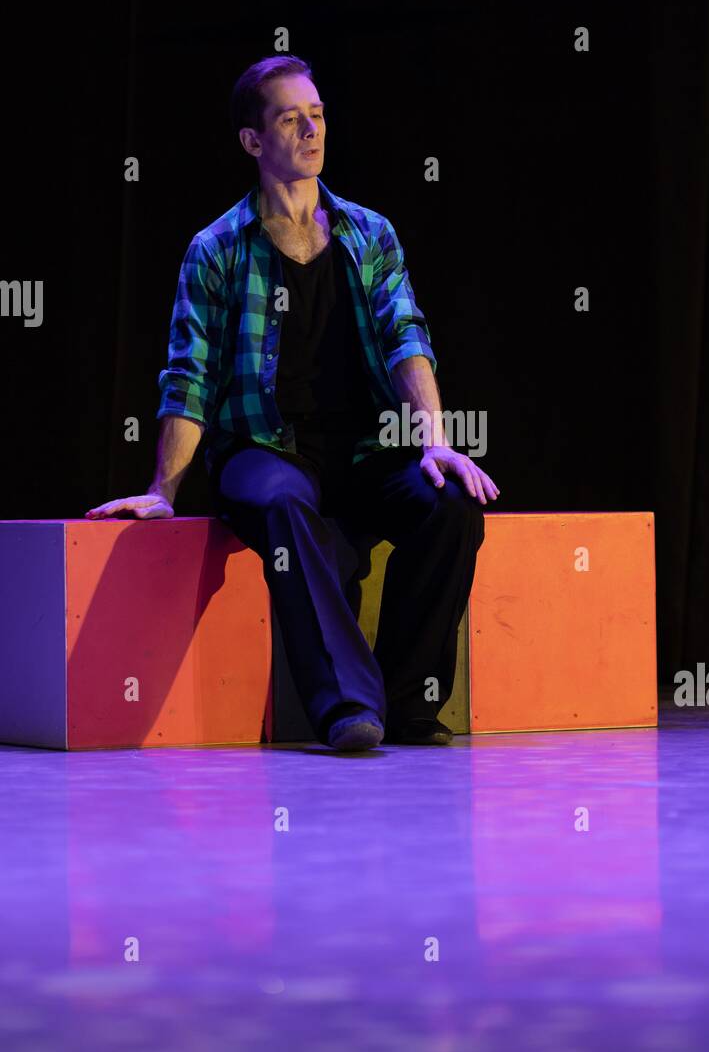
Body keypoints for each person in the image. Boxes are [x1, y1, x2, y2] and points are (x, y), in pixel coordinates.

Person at [86, 54, 499, 752]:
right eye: (290, 118)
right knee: (282, 500)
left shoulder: (370, 234)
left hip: (364, 452)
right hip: (262, 449)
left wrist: (434, 439)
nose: (312, 130)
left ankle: (407, 699)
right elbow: (188, 376)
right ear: (253, 141)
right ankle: (346, 707)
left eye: (319, 115)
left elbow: (407, 337)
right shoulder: (216, 250)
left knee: (451, 507)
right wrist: (165, 489)